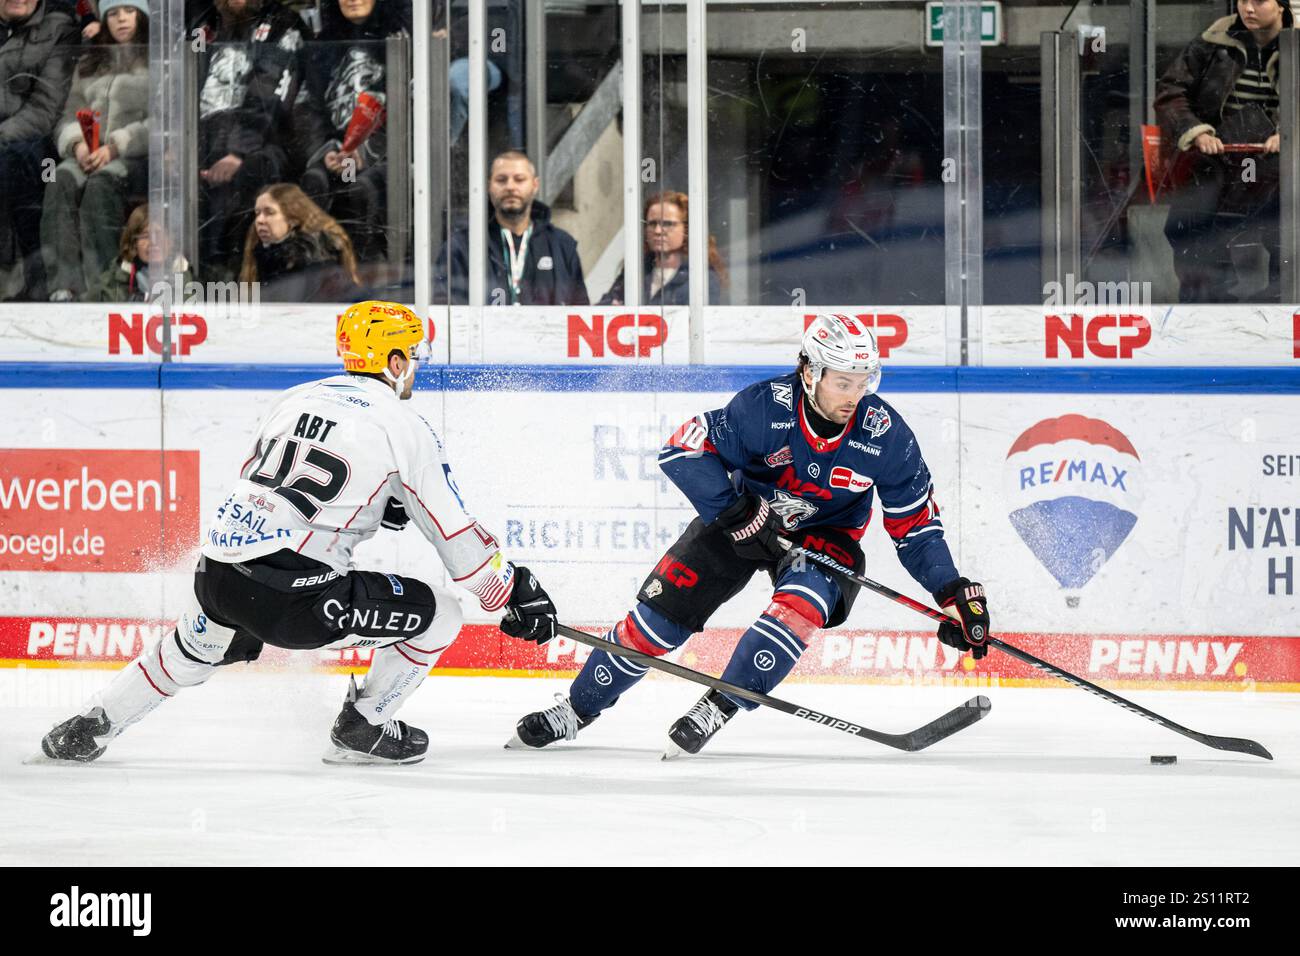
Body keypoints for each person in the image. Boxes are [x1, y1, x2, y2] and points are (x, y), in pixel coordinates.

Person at [40, 300, 560, 766]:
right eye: (413, 359)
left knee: (189, 651)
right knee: (442, 614)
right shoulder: (404, 425)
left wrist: (375, 507)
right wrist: (513, 591)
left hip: (217, 576)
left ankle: (88, 727)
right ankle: (365, 725)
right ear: (394, 363)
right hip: (296, 602)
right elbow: (460, 546)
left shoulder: (295, 397)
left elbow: (269, 484)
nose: (415, 371)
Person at [505, 313, 992, 757]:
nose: (854, 395)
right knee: (658, 621)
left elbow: (916, 525)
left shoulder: (887, 435)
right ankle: (577, 708)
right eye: (843, 381)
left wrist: (948, 590)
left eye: (863, 382)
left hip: (826, 536)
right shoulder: (764, 409)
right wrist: (737, 513)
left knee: (802, 602)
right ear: (810, 372)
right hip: (743, 521)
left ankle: (720, 705)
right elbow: (681, 449)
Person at [1155, 0, 1293, 302]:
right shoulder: (1212, 42)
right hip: (1219, 158)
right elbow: (1171, 91)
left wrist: (1289, 134)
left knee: (1288, 239)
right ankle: (1207, 312)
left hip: (1279, 164)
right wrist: (1198, 131)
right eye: (1244, 0)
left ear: (1281, 5)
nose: (1249, 8)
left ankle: (1281, 312)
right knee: (1188, 229)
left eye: (1259, 1)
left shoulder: (1294, 46)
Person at [40, 0, 149, 302]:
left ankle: (107, 284)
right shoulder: (91, 61)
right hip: (89, 152)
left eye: (129, 11)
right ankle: (65, 286)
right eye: (113, 13)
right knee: (59, 179)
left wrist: (116, 147)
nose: (121, 20)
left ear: (142, 16)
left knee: (100, 186)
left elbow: (162, 120)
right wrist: (77, 145)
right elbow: (69, 113)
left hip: (135, 157)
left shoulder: (158, 58)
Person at [191, 0, 304, 280]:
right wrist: (172, 145)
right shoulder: (203, 26)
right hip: (203, 136)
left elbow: (271, 94)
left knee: (247, 174)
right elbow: (177, 85)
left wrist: (237, 152)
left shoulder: (282, 23)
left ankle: (231, 273)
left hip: (266, 139)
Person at [296, 0, 409, 263]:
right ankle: (316, 271)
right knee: (314, 180)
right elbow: (308, 108)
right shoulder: (321, 44)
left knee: (360, 189)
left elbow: (408, 107)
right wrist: (325, 151)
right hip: (336, 153)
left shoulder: (401, 39)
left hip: (383, 154)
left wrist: (367, 151)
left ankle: (362, 274)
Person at [435, 149, 589, 306]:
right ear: (489, 186)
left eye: (519, 179)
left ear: (535, 185)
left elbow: (580, 317)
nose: (510, 186)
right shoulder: (462, 246)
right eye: (501, 180)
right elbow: (443, 312)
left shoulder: (562, 246)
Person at [0, 0, 78, 300]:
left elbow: (47, 108)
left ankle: (33, 283)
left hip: (38, 143)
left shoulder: (59, 29)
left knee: (14, 162)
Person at [599, 191, 727, 306]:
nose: (658, 231)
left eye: (667, 224)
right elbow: (604, 309)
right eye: (652, 224)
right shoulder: (637, 270)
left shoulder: (701, 277)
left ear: (687, 228)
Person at [239, 183, 362, 302]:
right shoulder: (260, 249)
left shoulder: (313, 254)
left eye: (269, 212)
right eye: (257, 213)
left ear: (293, 218)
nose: (260, 220)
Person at [89, 203, 193, 301]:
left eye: (159, 234)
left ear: (171, 241)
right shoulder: (109, 286)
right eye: (145, 236)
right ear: (133, 243)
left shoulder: (193, 283)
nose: (154, 242)